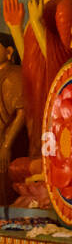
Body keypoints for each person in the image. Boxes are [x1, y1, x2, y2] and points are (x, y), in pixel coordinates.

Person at [2, 0, 72, 161]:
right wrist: (16, 28)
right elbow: (29, 58)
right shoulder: (37, 9)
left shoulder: (66, 5)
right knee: (36, 152)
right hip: (34, 91)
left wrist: (36, 23)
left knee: (54, 154)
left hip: (54, 92)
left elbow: (65, 60)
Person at [0, 32, 26, 201]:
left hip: (8, 141)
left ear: (9, 52)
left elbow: (22, 112)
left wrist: (7, 145)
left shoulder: (14, 75)